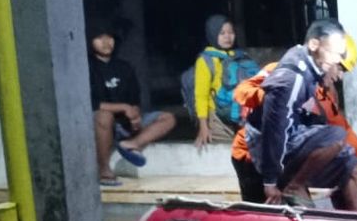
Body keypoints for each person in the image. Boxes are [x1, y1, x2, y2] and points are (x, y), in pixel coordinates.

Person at [230, 35, 357, 204]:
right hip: (251, 156)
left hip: (287, 160)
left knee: (350, 164)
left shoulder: (322, 96)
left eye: (342, 70)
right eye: (338, 66)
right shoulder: (283, 73)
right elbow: (241, 91)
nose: (338, 75)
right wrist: (269, 97)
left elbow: (342, 131)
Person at [243, 19, 357, 209]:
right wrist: (270, 181)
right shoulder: (292, 78)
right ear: (315, 45)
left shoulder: (310, 72)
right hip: (264, 150)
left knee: (350, 161)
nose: (337, 64)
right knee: (336, 136)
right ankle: (295, 186)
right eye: (336, 56)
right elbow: (275, 130)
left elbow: (314, 119)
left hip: (290, 142)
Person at [88, 20, 175, 186]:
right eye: (100, 38)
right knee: (104, 116)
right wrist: (124, 107)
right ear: (91, 41)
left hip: (125, 123)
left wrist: (135, 114)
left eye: (110, 37)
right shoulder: (87, 67)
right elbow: (92, 103)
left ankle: (132, 144)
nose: (106, 42)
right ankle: (104, 169)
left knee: (168, 118)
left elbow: (134, 98)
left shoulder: (124, 67)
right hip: (102, 125)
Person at [192, 14, 260, 150]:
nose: (227, 37)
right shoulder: (205, 61)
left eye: (231, 32)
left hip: (240, 115)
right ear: (213, 34)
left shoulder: (239, 56)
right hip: (217, 118)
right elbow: (201, 96)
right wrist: (203, 126)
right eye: (222, 33)